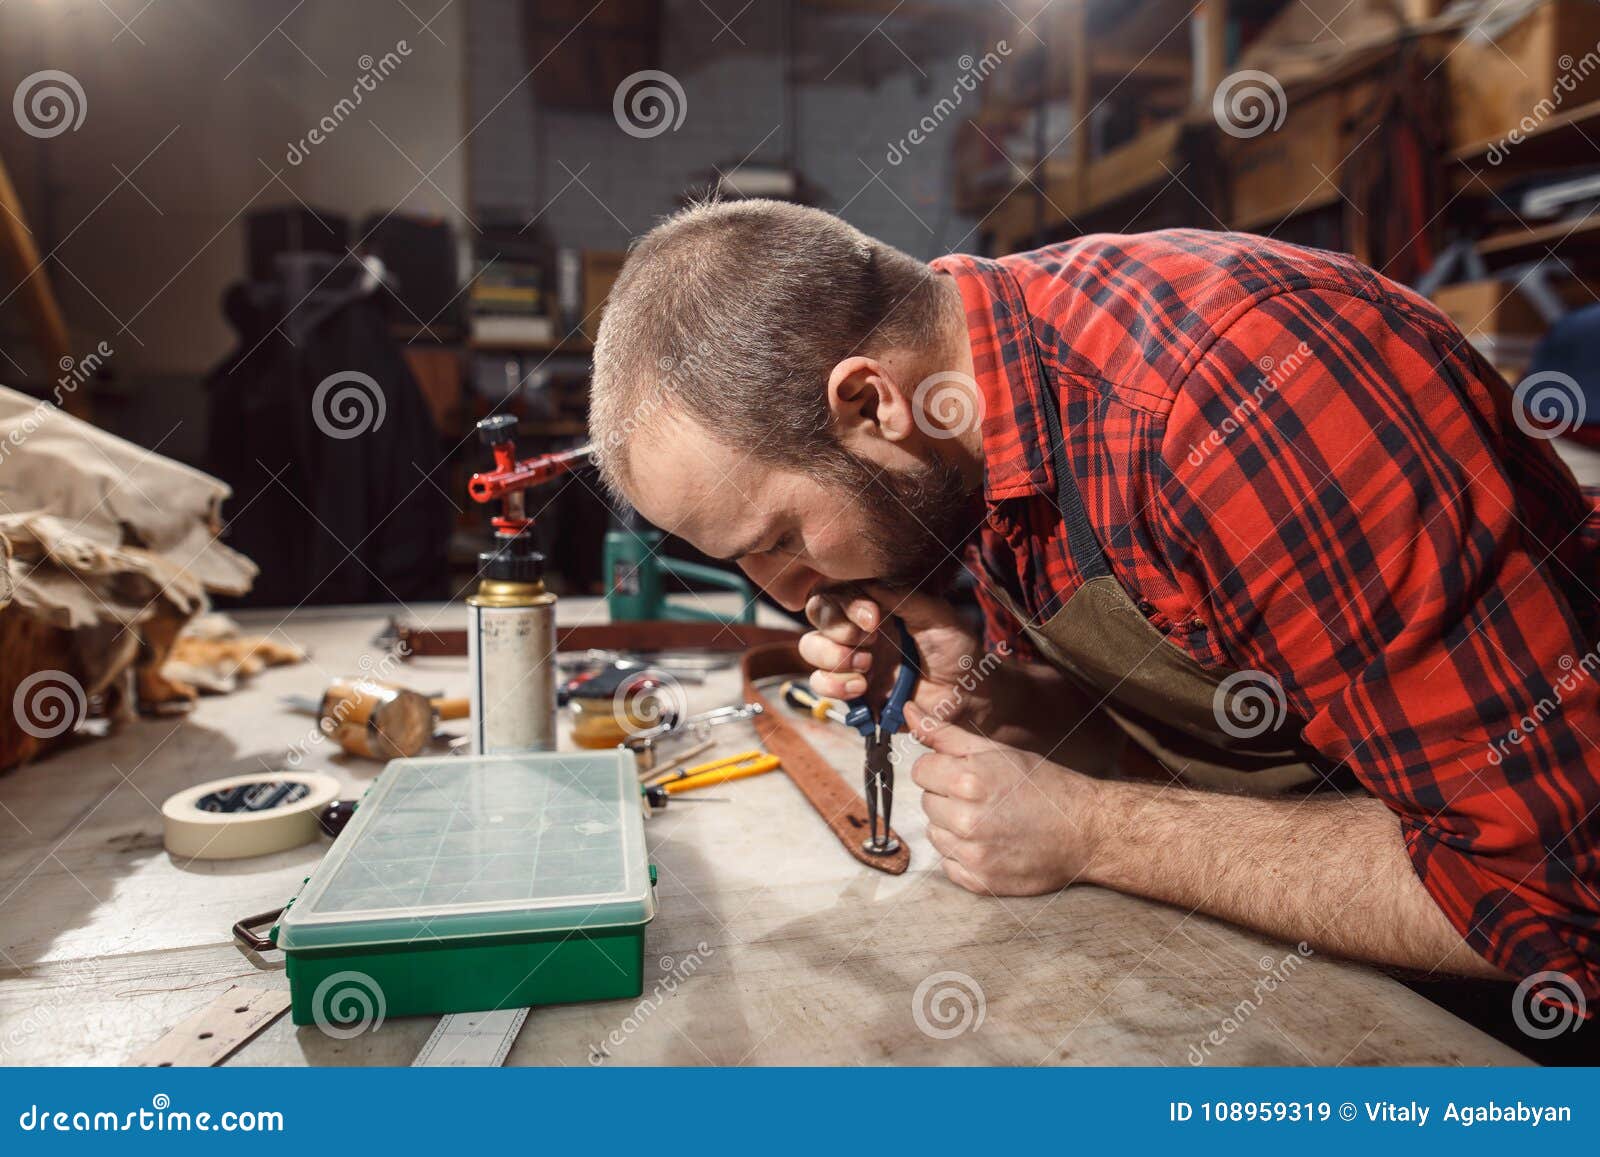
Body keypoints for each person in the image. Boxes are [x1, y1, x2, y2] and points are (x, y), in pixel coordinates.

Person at [588, 198, 1600, 1005]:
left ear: (868, 402)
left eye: (777, 540)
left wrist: (1094, 829)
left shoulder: (1232, 404)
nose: (788, 592)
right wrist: (1006, 698)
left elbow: (1550, 895)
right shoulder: (966, 415)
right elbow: (1213, 697)